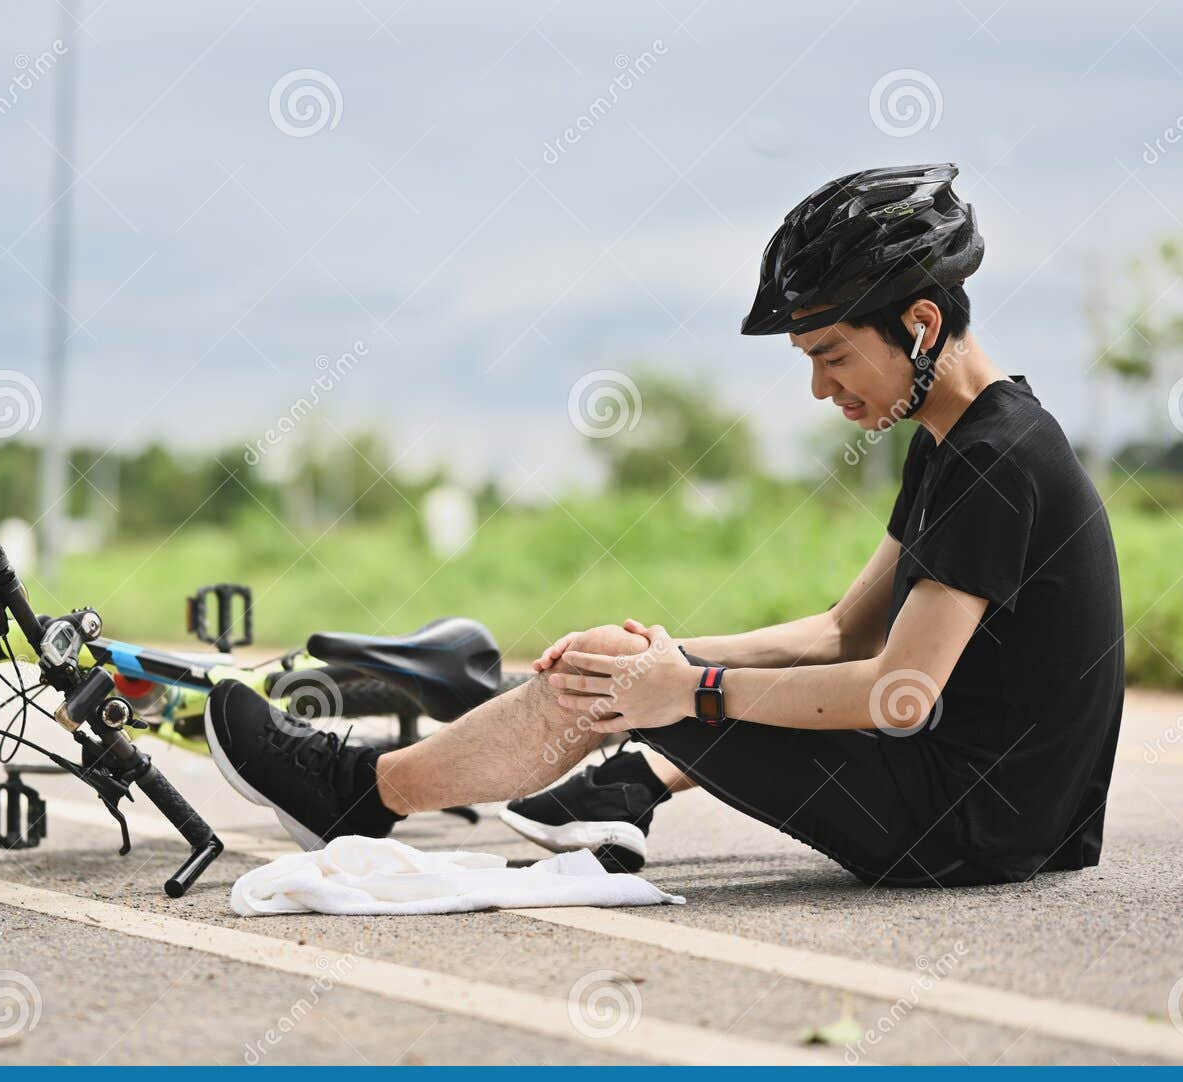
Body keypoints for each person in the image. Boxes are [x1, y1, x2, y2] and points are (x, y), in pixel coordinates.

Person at [205, 162, 1126, 887]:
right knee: (626, 662)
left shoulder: (993, 459)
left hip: (959, 827)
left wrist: (690, 691)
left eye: (833, 355)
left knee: (628, 674)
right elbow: (840, 632)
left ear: (920, 325)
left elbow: (900, 691)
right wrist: (670, 660)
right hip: (996, 812)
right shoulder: (959, 439)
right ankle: (408, 784)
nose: (819, 388)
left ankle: (355, 793)